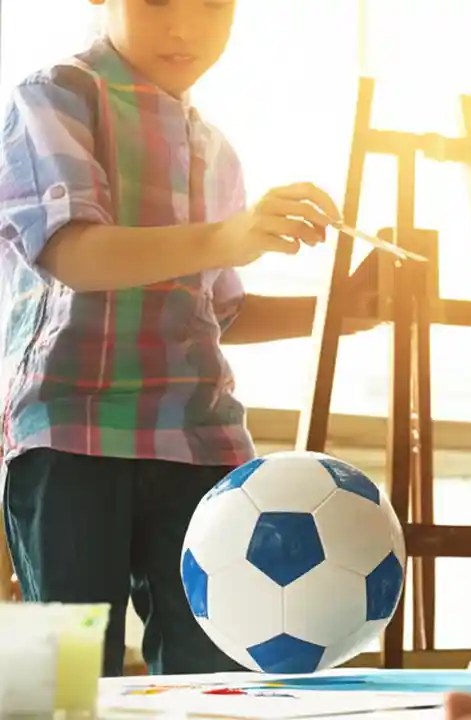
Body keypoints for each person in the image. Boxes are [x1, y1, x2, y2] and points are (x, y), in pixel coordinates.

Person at [0, 0, 374, 676]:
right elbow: (73, 255)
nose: (186, 27)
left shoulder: (214, 147)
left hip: (200, 445)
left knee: (217, 677)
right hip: (70, 434)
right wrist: (231, 236)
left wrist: (347, 310)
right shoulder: (52, 97)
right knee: (66, 683)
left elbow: (219, 311)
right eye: (156, 1)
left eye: (212, 3)